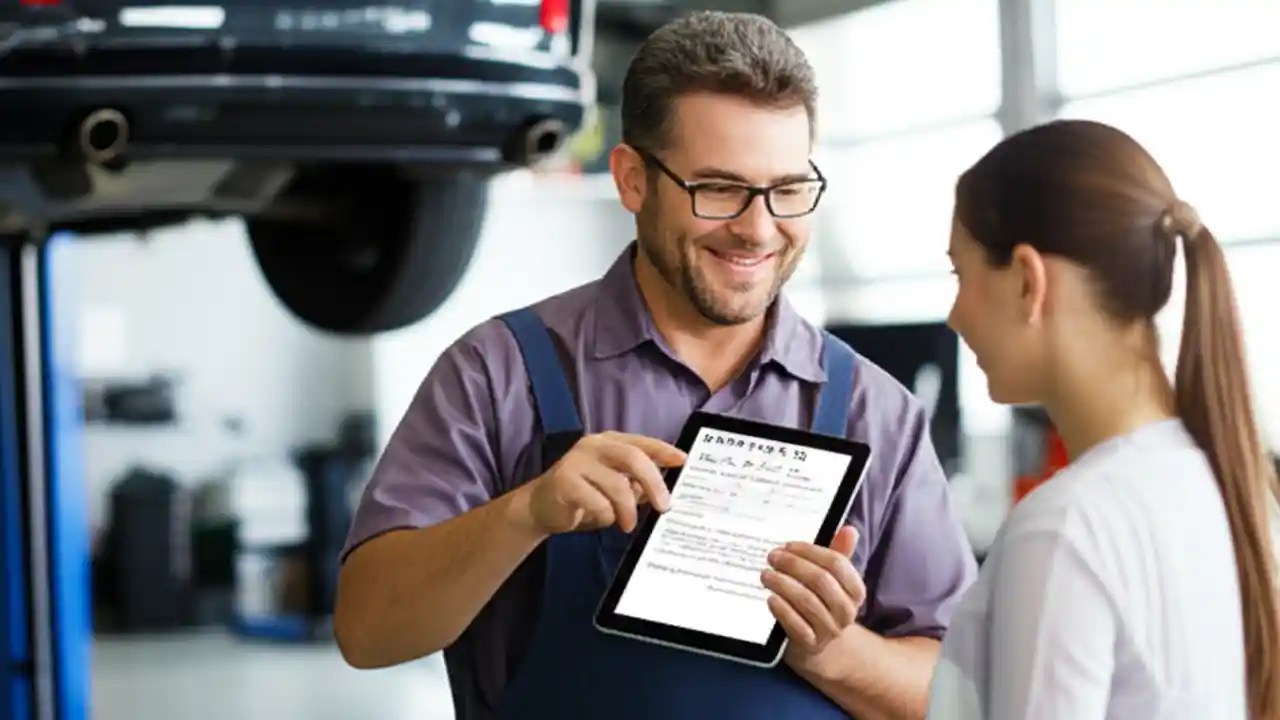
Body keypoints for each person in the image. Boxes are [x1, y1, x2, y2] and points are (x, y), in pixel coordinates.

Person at [334, 10, 976, 720]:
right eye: (719, 189)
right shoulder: (499, 374)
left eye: (788, 189)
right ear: (633, 179)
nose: (758, 229)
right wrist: (526, 513)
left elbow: (953, 698)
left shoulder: (874, 412)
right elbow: (368, 632)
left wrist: (827, 649)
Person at [927, 119, 1280, 719]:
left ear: (1026, 280)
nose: (955, 316)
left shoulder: (1067, 527)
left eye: (961, 276)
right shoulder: (1231, 482)